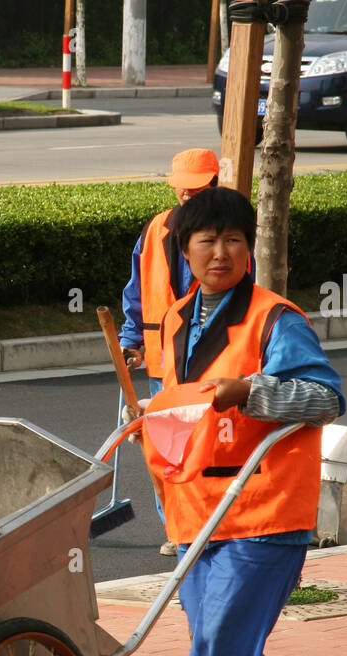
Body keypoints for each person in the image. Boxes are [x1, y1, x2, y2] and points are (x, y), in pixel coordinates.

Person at [150, 187, 345, 656]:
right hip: (196, 516)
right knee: (228, 647)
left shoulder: (274, 320)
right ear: (184, 249)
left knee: (215, 648)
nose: (221, 252)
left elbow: (324, 398)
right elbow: (179, 409)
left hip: (265, 514)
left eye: (234, 240)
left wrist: (251, 392)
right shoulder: (177, 320)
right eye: (206, 240)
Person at [119, 147, 220, 556]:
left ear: (213, 185)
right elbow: (137, 290)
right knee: (164, 448)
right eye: (182, 190)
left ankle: (206, 522)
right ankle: (178, 526)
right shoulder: (156, 229)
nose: (187, 197)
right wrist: (131, 338)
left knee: (203, 446)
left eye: (195, 190)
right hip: (163, 360)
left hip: (209, 358)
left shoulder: (227, 237)